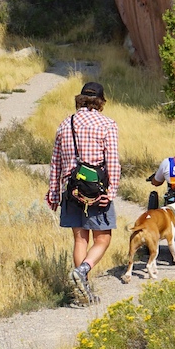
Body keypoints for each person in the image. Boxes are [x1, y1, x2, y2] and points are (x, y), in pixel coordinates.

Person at [46, 80, 119, 303]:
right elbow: (113, 161)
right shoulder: (107, 124)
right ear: (100, 101)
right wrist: (112, 191)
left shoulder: (65, 125)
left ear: (80, 99)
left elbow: (55, 163)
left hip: (72, 190)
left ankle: (82, 291)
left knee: (80, 240)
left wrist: (54, 193)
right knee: (103, 239)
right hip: (97, 191)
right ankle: (83, 271)